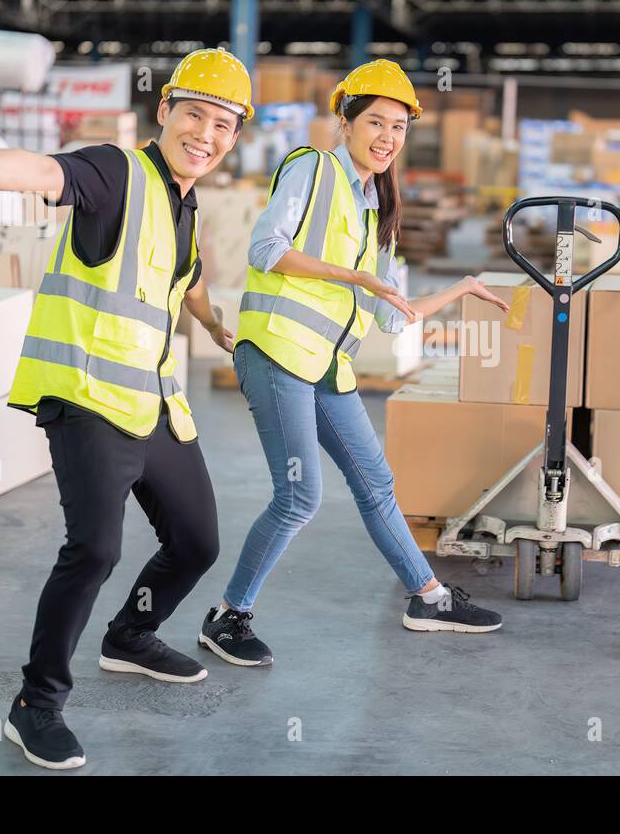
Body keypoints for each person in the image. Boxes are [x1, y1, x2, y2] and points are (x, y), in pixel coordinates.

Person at [0, 48, 250, 769]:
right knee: (94, 549)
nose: (207, 134)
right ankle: (36, 705)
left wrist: (215, 325)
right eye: (196, 115)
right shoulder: (116, 171)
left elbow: (183, 280)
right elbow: (43, 174)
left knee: (197, 543)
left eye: (224, 125)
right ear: (166, 112)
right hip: (88, 396)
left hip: (150, 401)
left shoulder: (185, 203)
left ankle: (130, 634)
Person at [198, 59, 509, 667]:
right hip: (276, 354)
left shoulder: (377, 213)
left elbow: (394, 315)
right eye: (376, 122)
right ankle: (228, 618)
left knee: (377, 484)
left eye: (399, 127)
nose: (388, 137)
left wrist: (462, 288)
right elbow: (266, 249)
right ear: (344, 122)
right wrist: (354, 275)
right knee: (298, 496)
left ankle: (429, 598)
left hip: (328, 369)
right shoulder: (310, 170)